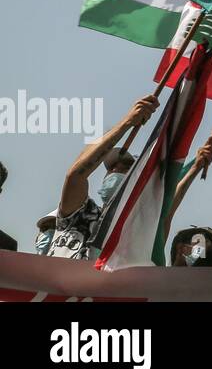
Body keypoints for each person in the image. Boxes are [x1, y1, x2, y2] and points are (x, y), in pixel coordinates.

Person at [51, 94, 157, 260]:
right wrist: (126, 123)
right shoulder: (83, 215)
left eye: (125, 168)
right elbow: (75, 175)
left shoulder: (135, 232)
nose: (115, 170)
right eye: (111, 168)